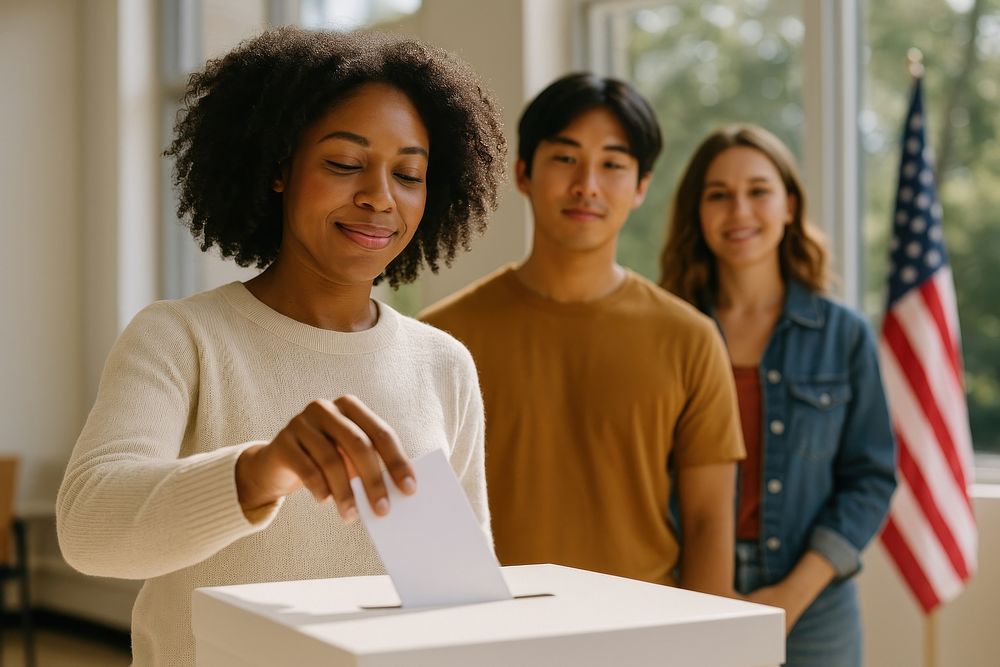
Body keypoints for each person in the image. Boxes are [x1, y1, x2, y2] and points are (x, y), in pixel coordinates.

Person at [56, 27, 506, 666]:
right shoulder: (181, 339)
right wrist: (260, 472)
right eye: (345, 163)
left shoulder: (441, 365)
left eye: (409, 173)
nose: (380, 196)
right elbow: (89, 532)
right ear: (277, 170)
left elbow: (457, 602)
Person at [421, 73, 744, 595]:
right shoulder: (442, 338)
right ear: (523, 173)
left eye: (613, 164)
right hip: (489, 633)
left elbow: (710, 523)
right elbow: (423, 523)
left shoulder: (691, 339)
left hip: (643, 632)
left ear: (642, 186)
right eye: (566, 158)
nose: (587, 185)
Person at [659, 124, 896, 666]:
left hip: (814, 602)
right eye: (718, 195)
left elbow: (871, 478)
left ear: (789, 205)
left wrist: (792, 596)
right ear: (698, 212)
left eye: (758, 191)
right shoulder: (667, 333)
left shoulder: (844, 335)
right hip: (682, 588)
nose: (739, 210)